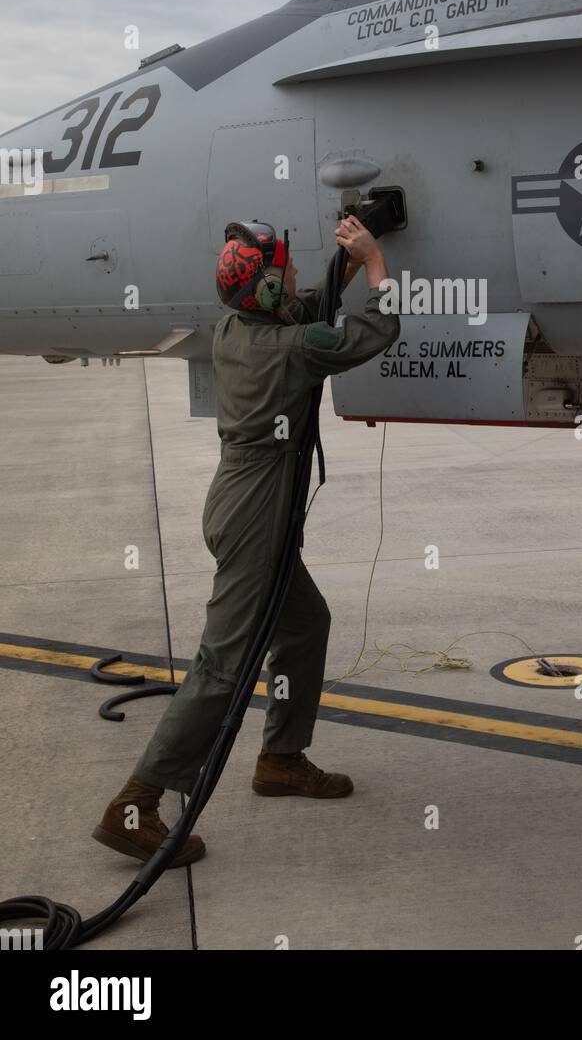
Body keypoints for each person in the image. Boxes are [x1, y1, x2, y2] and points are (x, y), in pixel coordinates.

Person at [93, 213, 399, 866]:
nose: (291, 273)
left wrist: (346, 255)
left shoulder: (236, 326)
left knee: (305, 623)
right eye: (282, 269)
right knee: (221, 666)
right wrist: (375, 267)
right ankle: (135, 805)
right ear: (262, 291)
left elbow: (302, 305)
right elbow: (373, 332)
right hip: (256, 517)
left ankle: (281, 759)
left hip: (238, 503)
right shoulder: (289, 349)